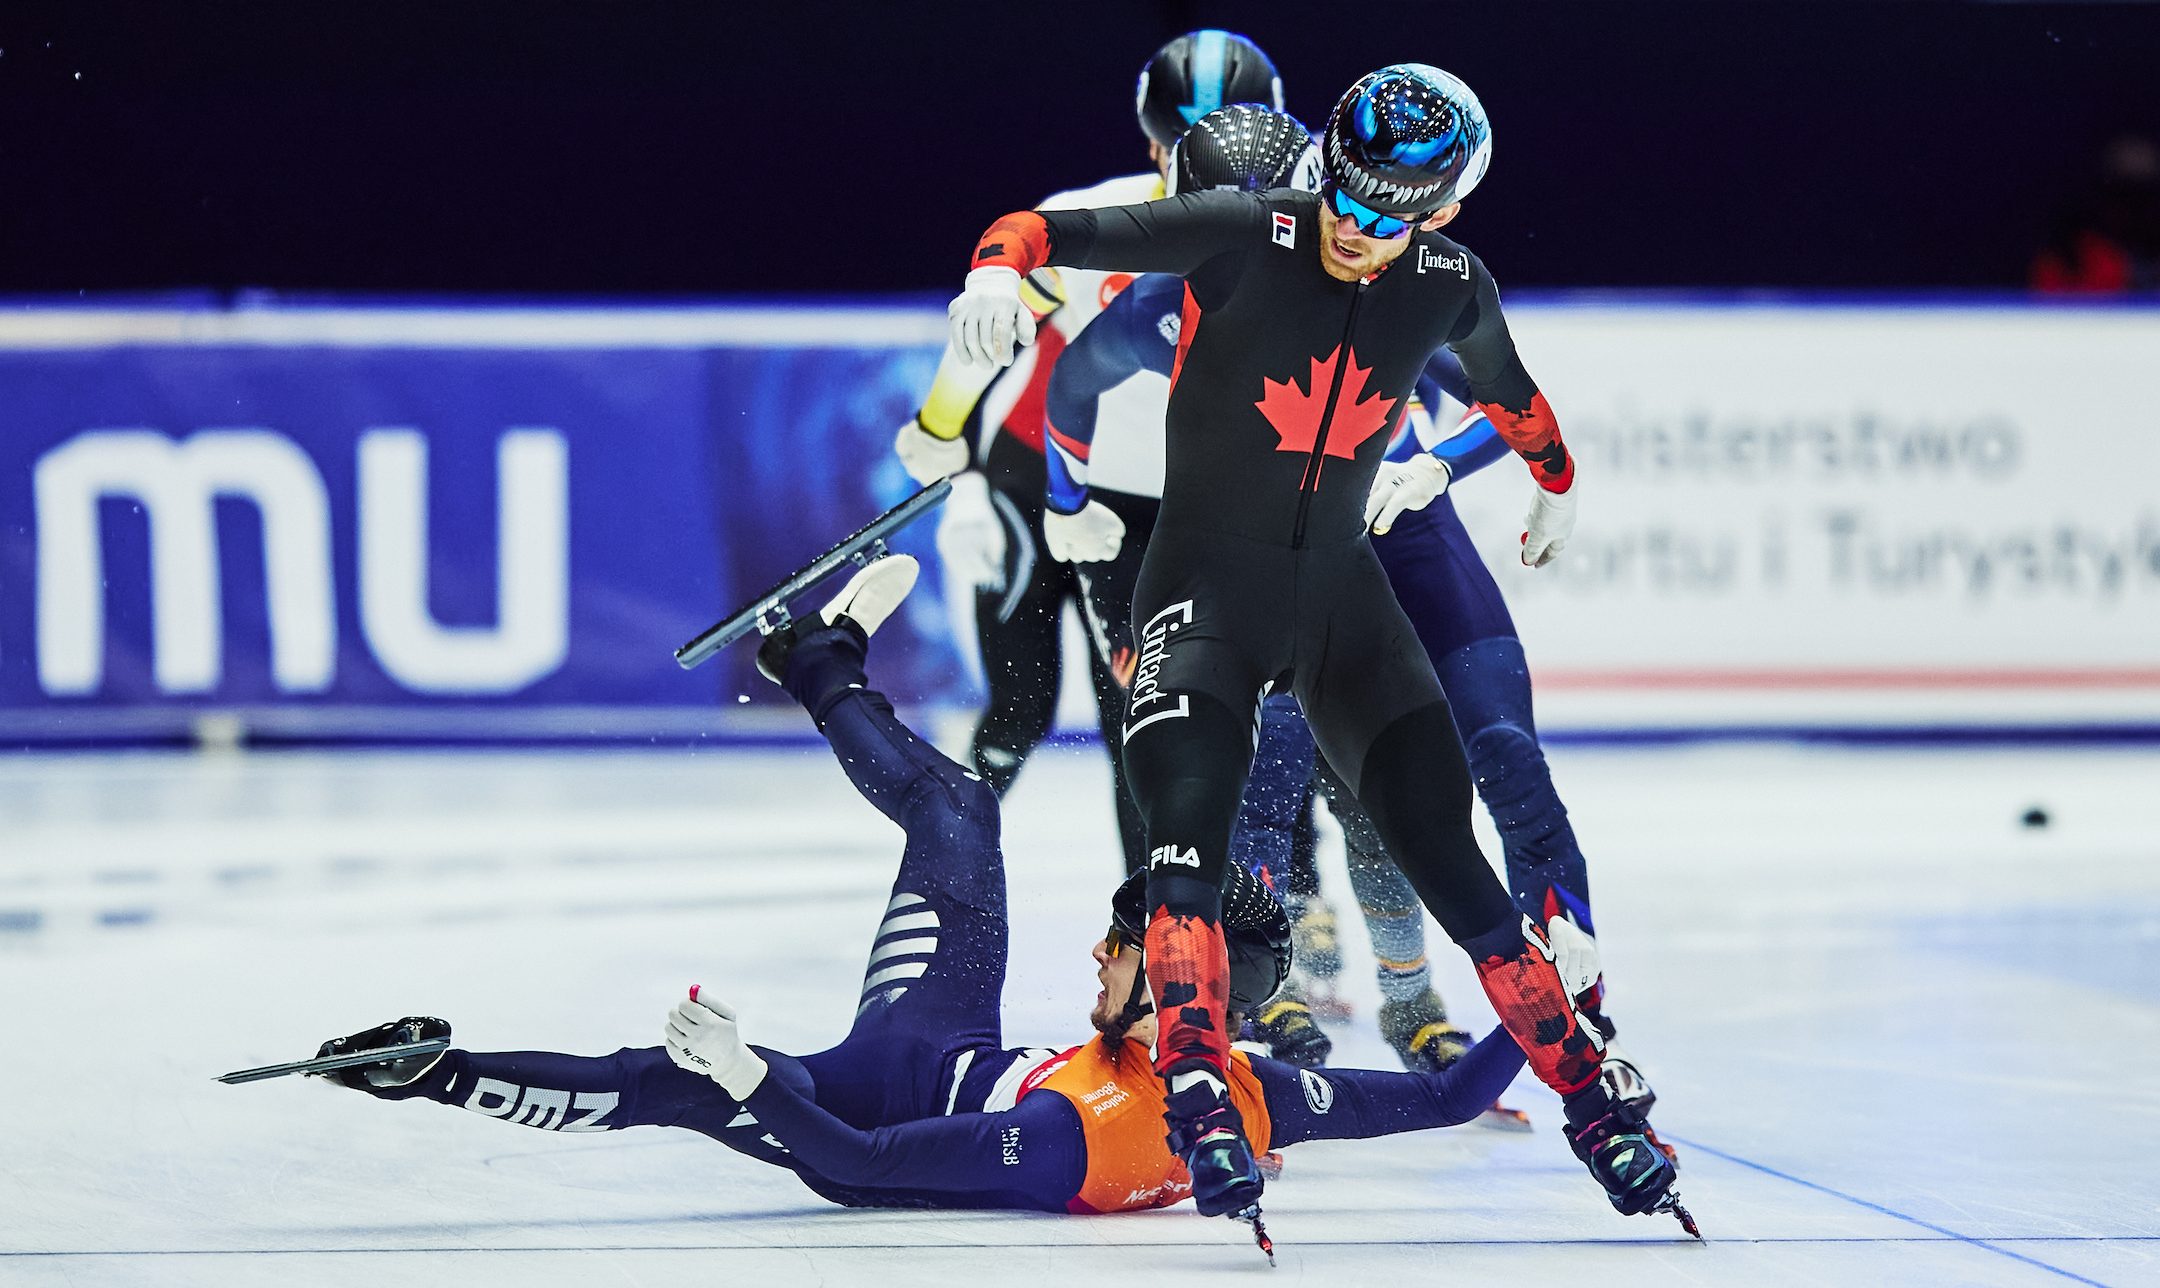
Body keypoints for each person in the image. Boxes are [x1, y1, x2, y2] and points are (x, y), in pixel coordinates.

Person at [945, 63, 1684, 1225]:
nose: (1351, 229)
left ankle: (1595, 1100)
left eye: (1387, 216)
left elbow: (1516, 394)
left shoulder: (1450, 283)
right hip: (1202, 596)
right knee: (1180, 854)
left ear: (1440, 215)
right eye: (1342, 195)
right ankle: (1197, 1090)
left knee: (1456, 863)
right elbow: (1051, 231)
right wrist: (993, 272)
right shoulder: (1250, 228)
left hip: (1346, 608)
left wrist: (1558, 483)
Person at [303, 557, 1525, 1236]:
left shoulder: (1071, 1137)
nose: (1100, 952)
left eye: (1125, 941)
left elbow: (857, 1167)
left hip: (873, 1092)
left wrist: (746, 1079)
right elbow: (1438, 1093)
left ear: (1176, 986)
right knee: (959, 812)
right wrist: (1557, 1003)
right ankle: (816, 655)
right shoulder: (1255, 1094)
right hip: (952, 1041)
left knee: (658, 1081)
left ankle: (437, 1071)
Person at [1044, 125, 1653, 1106]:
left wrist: (1440, 466)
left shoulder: (1350, 266)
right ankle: (1260, 995)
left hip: (1381, 538)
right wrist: (1067, 504)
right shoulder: (1172, 300)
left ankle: (1478, 998)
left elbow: (1497, 396)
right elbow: (1072, 385)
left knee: (1461, 769)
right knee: (1269, 776)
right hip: (1280, 555)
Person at [893, 30, 1285, 877]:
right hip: (1048, 479)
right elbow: (994, 341)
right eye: (1193, 156)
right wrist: (953, 453)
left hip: (1145, 509)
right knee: (1025, 706)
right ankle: (942, 865)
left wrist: (941, 435)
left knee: (1137, 722)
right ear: (1154, 150)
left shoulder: (1314, 248)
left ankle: (1158, 928)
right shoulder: (1102, 219)